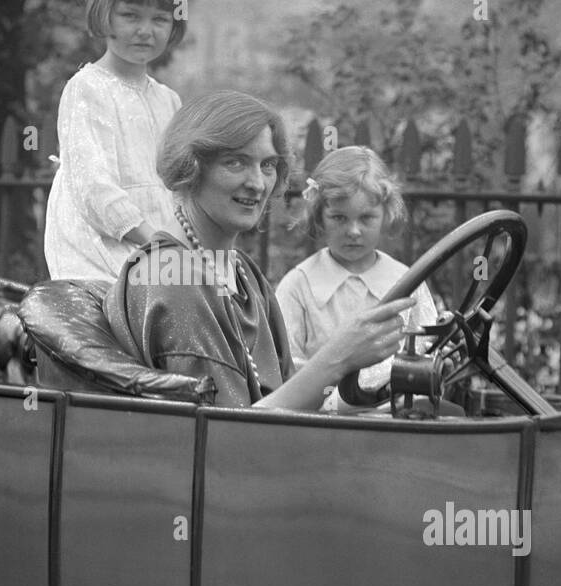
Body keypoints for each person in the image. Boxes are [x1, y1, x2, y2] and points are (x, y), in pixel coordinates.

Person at [106, 91, 414, 410]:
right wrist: (339, 358)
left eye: (267, 165)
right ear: (191, 166)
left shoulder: (242, 272)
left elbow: (287, 406)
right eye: (235, 162)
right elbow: (227, 438)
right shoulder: (169, 275)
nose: (257, 183)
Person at [43, 0, 185, 281]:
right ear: (105, 15)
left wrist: (181, 246)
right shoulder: (88, 89)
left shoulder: (169, 101)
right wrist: (153, 239)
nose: (145, 30)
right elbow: (92, 187)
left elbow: (180, 188)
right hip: (101, 252)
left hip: (160, 252)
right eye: (131, 16)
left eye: (160, 19)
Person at [275, 146, 439, 371]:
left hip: (396, 405)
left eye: (366, 218)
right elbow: (284, 368)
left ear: (386, 215)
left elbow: (428, 352)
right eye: (339, 217)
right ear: (319, 216)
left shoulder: (408, 282)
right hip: (313, 406)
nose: (353, 231)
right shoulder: (297, 287)